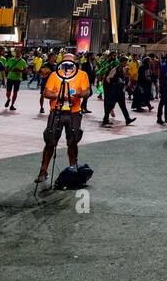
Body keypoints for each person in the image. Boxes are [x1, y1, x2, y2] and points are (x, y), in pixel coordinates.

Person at [35, 54, 91, 184]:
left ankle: (73, 169)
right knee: (50, 141)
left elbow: (87, 91)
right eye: (65, 62)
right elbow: (46, 93)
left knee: (73, 141)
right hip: (56, 112)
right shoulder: (54, 75)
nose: (68, 65)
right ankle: (43, 171)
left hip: (74, 113)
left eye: (70, 62)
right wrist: (58, 95)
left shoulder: (82, 75)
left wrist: (78, 94)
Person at [102, 56, 135, 127]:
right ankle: (105, 119)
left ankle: (127, 119)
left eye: (126, 62)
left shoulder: (122, 69)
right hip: (115, 91)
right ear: (121, 62)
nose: (126, 64)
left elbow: (124, 77)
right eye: (125, 62)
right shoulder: (115, 69)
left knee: (123, 106)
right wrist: (112, 85)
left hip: (120, 91)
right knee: (110, 105)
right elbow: (108, 78)